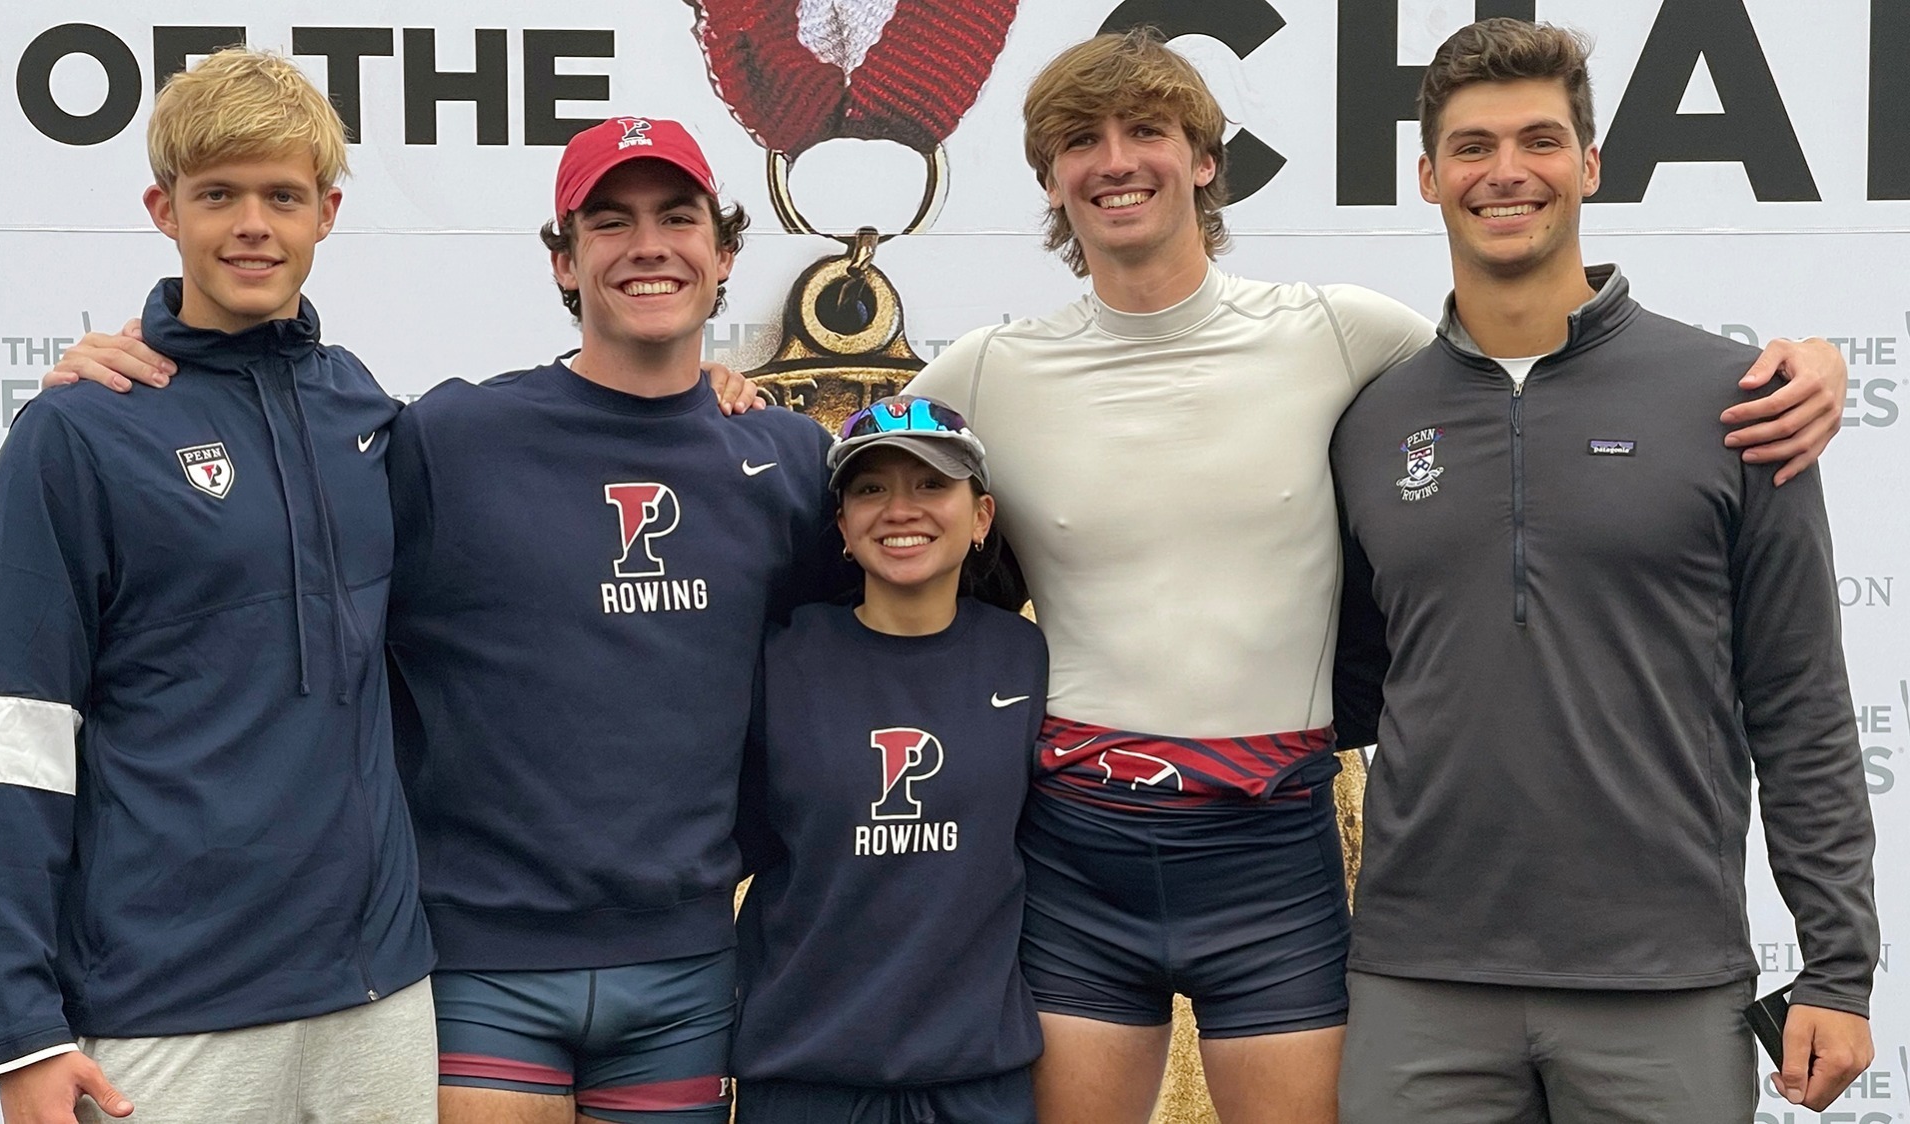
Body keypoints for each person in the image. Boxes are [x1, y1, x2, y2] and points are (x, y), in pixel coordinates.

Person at [902, 27, 1852, 1124]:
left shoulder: (1343, 335)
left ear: (1205, 159)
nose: (1115, 160)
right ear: (1047, 175)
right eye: (1080, 140)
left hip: (1273, 838)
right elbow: (851, 497)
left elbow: (1535, 370)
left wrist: (1805, 363)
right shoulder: (980, 368)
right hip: (1077, 841)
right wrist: (718, 393)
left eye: (1147, 131)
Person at [1329, 19, 1878, 1122]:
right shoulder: (1369, 416)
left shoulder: (1737, 398)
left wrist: (1835, 967)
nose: (1505, 172)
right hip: (1414, 976)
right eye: (1472, 146)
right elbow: (1335, 688)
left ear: (1588, 164)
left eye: (1538, 140)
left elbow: (1799, 701)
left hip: (1663, 980)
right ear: (1427, 175)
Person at [0, 49, 435, 1124]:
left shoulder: (360, 409)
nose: (252, 226)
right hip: (169, 1008)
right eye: (217, 194)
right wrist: (24, 1031)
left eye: (282, 196)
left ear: (327, 211)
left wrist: (708, 385)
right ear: (162, 207)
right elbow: (21, 735)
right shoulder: (77, 429)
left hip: (379, 997)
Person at [383, 115, 847, 1124]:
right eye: (609, 221)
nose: (647, 245)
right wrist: (156, 368)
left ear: (723, 253)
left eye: (677, 218)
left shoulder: (786, 462)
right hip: (480, 965)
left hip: (682, 969)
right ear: (562, 259)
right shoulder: (453, 437)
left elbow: (846, 680)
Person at [732, 394, 1047, 1124]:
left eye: (932, 484)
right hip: (804, 1075)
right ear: (840, 526)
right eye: (871, 489)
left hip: (978, 1079)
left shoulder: (1025, 657)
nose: (901, 509)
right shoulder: (779, 658)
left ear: (981, 518)